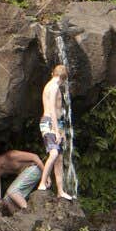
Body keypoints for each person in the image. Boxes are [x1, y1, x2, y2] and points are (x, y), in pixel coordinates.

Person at [37, 64, 74, 198]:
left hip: (55, 123)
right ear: (63, 77)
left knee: (58, 158)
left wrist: (61, 130)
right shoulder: (53, 87)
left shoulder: (52, 85)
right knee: (53, 154)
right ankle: (42, 183)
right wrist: (56, 131)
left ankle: (60, 191)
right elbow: (52, 108)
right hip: (49, 123)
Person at [0, 149, 45, 213]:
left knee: (12, 191)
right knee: (7, 200)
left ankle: (28, 212)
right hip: (25, 176)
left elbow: (35, 157)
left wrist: (46, 176)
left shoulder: (11, 155)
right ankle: (18, 217)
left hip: (34, 168)